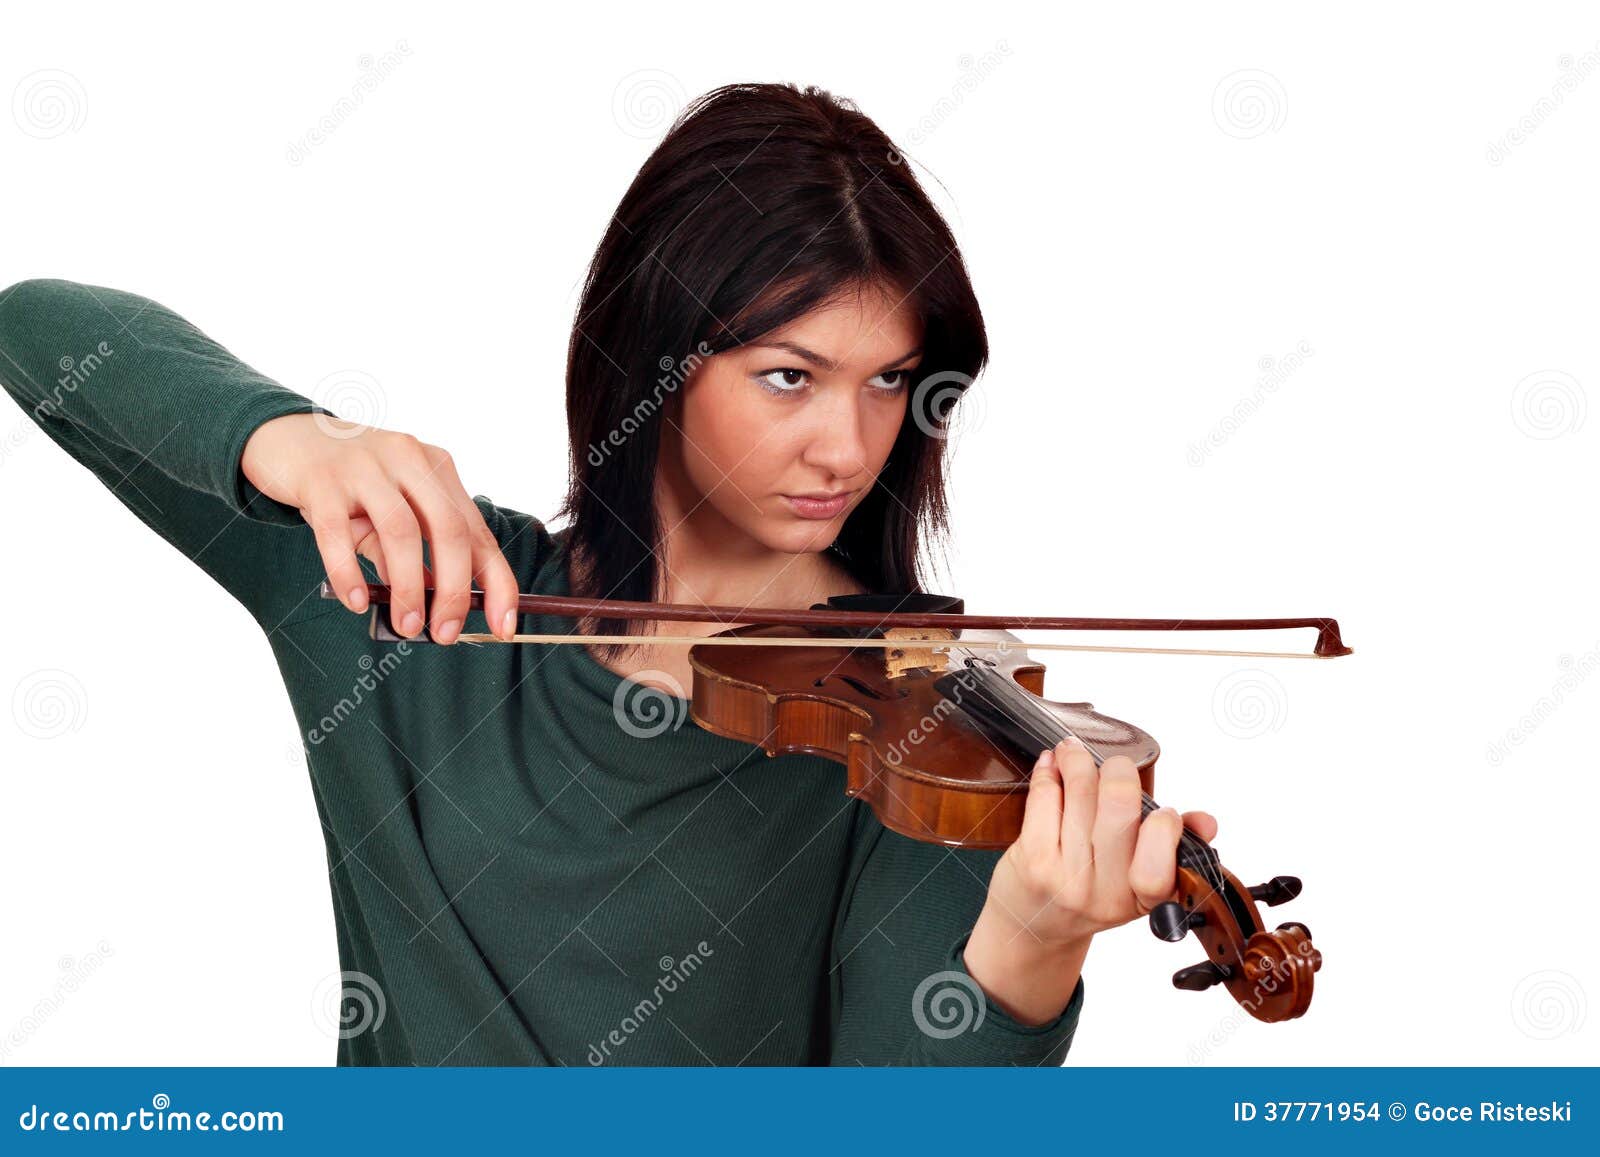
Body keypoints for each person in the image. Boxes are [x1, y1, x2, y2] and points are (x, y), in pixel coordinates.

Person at [0, 82, 1215, 1066]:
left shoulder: (913, 732)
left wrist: (1029, 937)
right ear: (652, 358)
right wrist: (298, 440)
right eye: (788, 376)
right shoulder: (425, 592)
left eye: (889, 379)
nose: (849, 446)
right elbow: (36, 327)